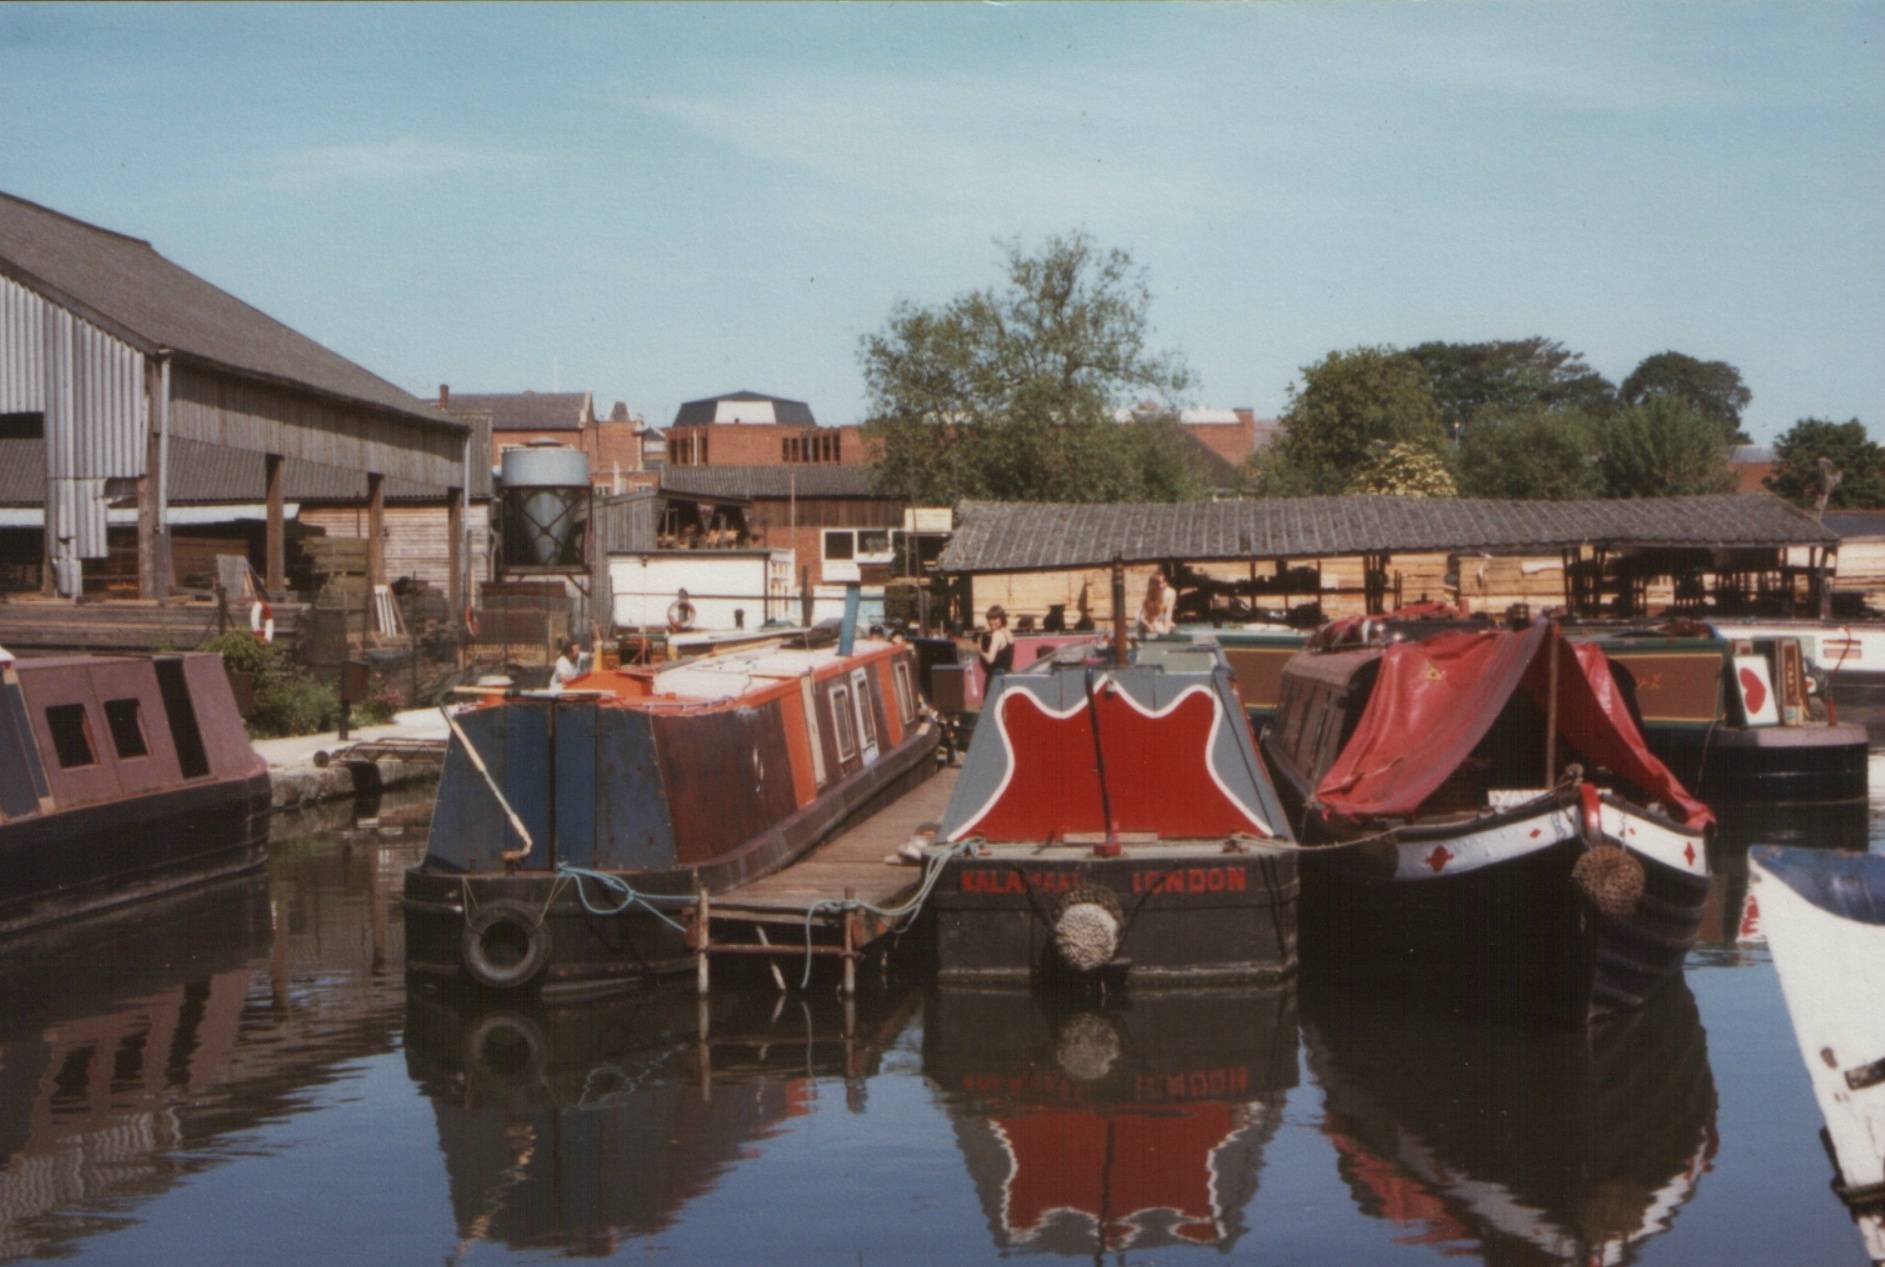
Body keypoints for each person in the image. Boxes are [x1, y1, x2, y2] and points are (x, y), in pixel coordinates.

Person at [978, 605, 1015, 680]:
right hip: (1008, 676)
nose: (991, 621)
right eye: (990, 619)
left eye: (995, 618)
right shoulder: (1008, 632)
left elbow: (990, 659)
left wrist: (980, 650)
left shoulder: (997, 634)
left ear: (1002, 619)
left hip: (996, 678)